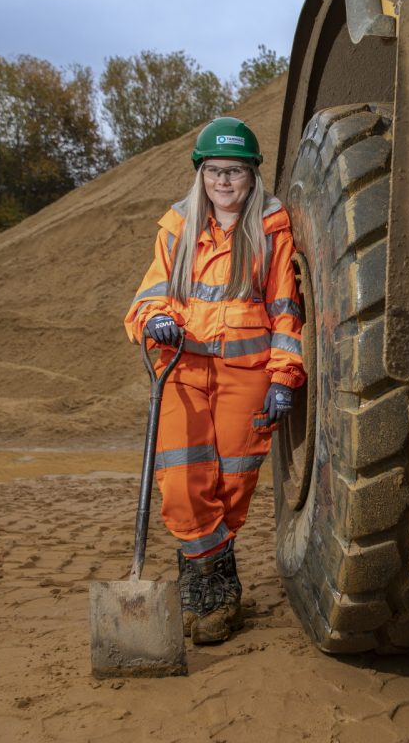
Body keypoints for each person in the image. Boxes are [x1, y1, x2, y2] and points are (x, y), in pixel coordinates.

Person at [124, 117, 304, 645]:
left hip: (246, 375)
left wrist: (283, 377)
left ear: (253, 176)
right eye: (214, 171)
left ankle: (209, 573)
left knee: (232, 483)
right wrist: (154, 318)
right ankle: (212, 586)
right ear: (200, 174)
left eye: (236, 171)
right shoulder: (177, 227)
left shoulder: (271, 229)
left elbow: (285, 309)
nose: (224, 181)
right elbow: (148, 295)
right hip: (181, 368)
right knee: (181, 479)